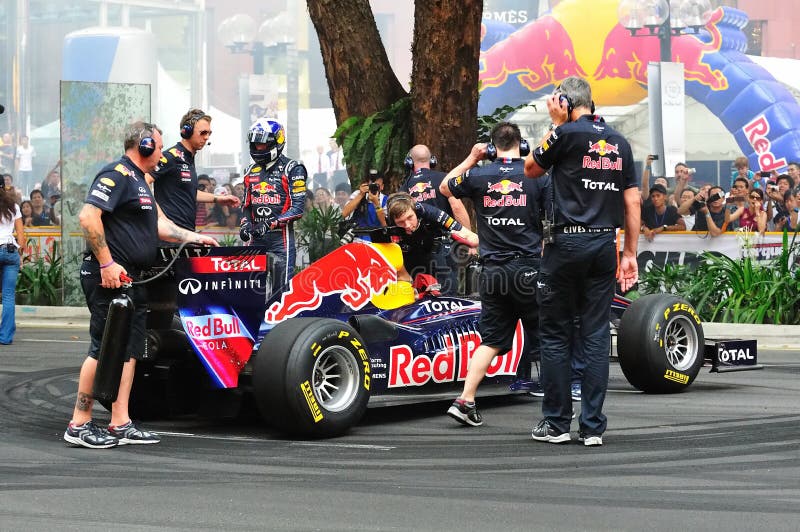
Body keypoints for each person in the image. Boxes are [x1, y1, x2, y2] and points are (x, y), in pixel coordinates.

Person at [64, 121, 218, 449]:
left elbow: (159, 225)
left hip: (132, 278)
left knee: (131, 350)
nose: (162, 154)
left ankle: (121, 422)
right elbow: (88, 217)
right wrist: (106, 263)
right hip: (108, 276)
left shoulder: (142, 182)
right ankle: (79, 423)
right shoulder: (117, 174)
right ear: (144, 145)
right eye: (158, 147)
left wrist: (193, 237)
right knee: (103, 348)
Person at [523, 76, 640, 446]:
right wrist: (630, 253)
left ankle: (557, 424)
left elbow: (530, 168)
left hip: (566, 244)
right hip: (605, 245)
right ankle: (592, 427)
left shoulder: (565, 133)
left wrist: (557, 126)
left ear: (563, 101)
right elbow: (633, 202)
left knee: (556, 335)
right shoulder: (619, 142)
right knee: (595, 335)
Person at [440, 121, 550, 427]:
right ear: (522, 145)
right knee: (549, 337)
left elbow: (445, 187)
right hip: (528, 268)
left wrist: (473, 158)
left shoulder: (478, 174)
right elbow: (552, 218)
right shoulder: (536, 175)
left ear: (491, 146)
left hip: (491, 272)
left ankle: (465, 400)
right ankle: (556, 414)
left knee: (490, 341)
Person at [239, 118, 307, 288]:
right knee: (249, 290)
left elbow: (298, 209)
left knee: (280, 291)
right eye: (255, 144)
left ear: (277, 142)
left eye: (263, 144)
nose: (258, 148)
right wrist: (245, 224)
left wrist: (270, 224)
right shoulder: (249, 171)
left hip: (281, 240)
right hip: (255, 239)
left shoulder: (293, 168)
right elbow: (246, 206)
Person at [152, 108, 240, 231]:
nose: (207, 137)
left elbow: (191, 192)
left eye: (209, 133)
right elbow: (142, 181)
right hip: (169, 235)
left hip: (185, 232)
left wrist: (218, 199)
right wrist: (160, 216)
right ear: (186, 132)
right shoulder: (170, 156)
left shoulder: (189, 158)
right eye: (203, 133)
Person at [404, 144, 472, 295]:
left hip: (417, 251)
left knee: (422, 295)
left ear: (409, 162)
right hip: (444, 248)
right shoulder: (444, 180)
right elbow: (457, 208)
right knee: (446, 296)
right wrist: (468, 239)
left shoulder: (405, 187)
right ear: (432, 160)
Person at [386, 192, 478, 287]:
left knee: (446, 283)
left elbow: (472, 236)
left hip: (435, 246)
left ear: (415, 210)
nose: (407, 225)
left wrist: (470, 244)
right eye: (400, 222)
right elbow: (394, 259)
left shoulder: (429, 211)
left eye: (410, 217)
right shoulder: (389, 224)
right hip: (410, 251)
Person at [0, 185, 24, 345]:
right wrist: (20, 255)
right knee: (8, 295)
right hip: (9, 250)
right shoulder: (13, 206)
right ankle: (5, 336)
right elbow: (21, 236)